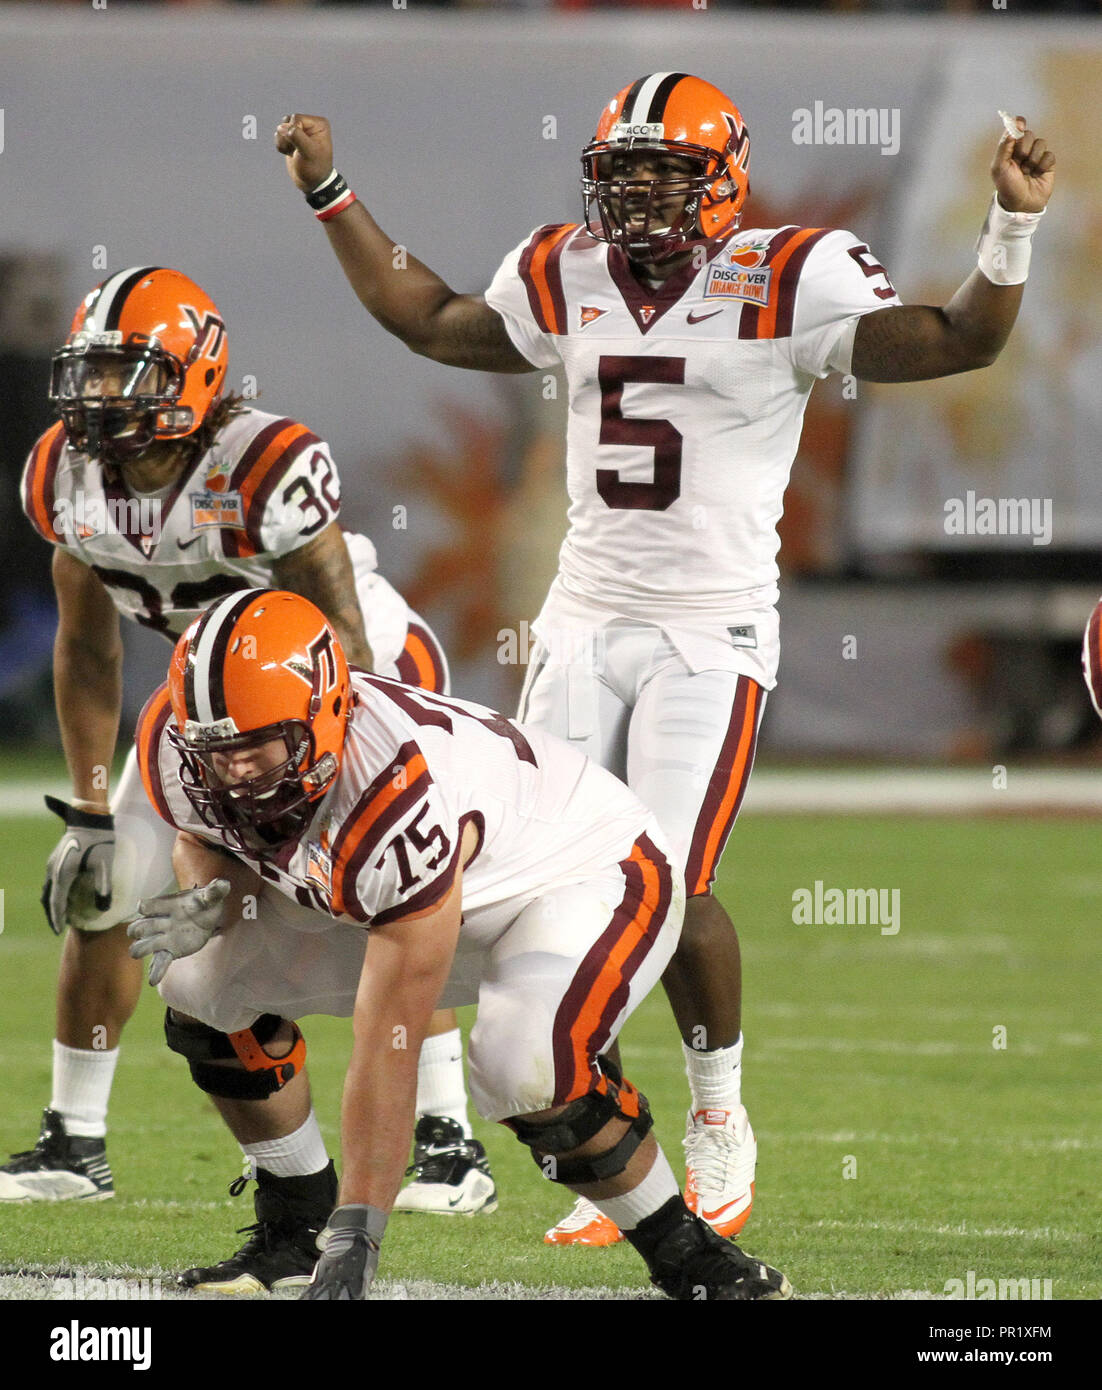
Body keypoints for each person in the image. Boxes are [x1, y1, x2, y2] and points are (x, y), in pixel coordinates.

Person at [272, 75, 1055, 1244]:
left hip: (711, 629)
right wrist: (331, 194)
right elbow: (428, 320)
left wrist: (1010, 225)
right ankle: (607, 1135)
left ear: (721, 181)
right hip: (584, 618)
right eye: (620, 173)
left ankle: (721, 1119)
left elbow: (955, 341)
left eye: (663, 174)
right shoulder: (564, 270)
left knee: (661, 886)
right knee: (543, 889)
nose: (636, 196)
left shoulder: (790, 276)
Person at [2, 267, 496, 1293]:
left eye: (125, 376)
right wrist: (92, 799)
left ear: (192, 377)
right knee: (109, 882)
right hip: (204, 705)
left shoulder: (261, 462)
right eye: (88, 377)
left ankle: (450, 1138)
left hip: (340, 673)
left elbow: (335, 605)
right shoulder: (66, 475)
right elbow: (89, 647)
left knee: (383, 893)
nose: (98, 403)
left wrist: (361, 741)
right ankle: (72, 1141)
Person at [127, 587, 791, 1301]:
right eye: (216, 753)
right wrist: (209, 898)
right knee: (197, 981)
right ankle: (294, 1231)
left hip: (585, 873)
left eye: (257, 746)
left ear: (323, 716)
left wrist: (361, 1234)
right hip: (434, 895)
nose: (236, 771)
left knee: (523, 1067)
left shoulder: (391, 792)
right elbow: (205, 836)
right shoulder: (174, 745)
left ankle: (691, 1257)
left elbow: (391, 1038)